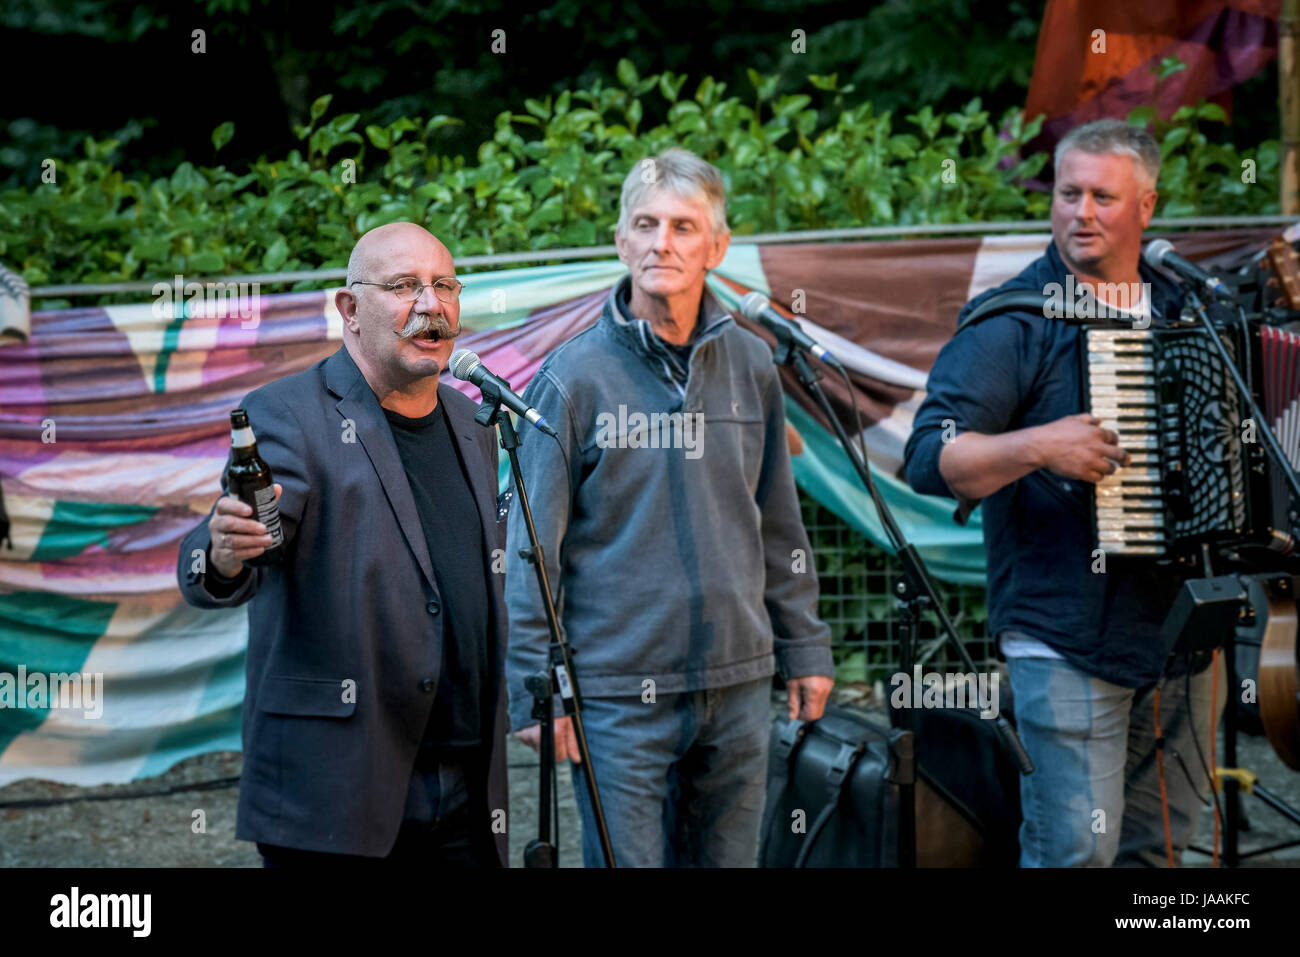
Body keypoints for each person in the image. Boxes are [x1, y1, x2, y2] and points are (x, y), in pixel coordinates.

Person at [904, 119, 1225, 867]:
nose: (1081, 211)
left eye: (1102, 196)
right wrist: (1039, 444)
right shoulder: (1013, 321)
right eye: (1067, 192)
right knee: (1076, 854)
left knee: (1168, 858)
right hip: (1065, 633)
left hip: (1182, 630)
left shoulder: (1192, 311)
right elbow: (928, 456)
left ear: (1147, 207)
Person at [505, 148, 835, 867]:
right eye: (646, 224)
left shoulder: (754, 362)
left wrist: (804, 643)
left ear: (717, 246)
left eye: (684, 226)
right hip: (618, 693)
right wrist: (535, 688)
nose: (663, 242)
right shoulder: (572, 377)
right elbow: (532, 545)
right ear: (620, 241)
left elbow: (780, 523)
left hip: (741, 681)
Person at [177, 222, 509, 867]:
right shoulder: (287, 414)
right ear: (349, 309)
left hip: (469, 782)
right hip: (339, 785)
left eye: (444, 285)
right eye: (404, 286)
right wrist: (222, 553)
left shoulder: (475, 421)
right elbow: (247, 541)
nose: (430, 303)